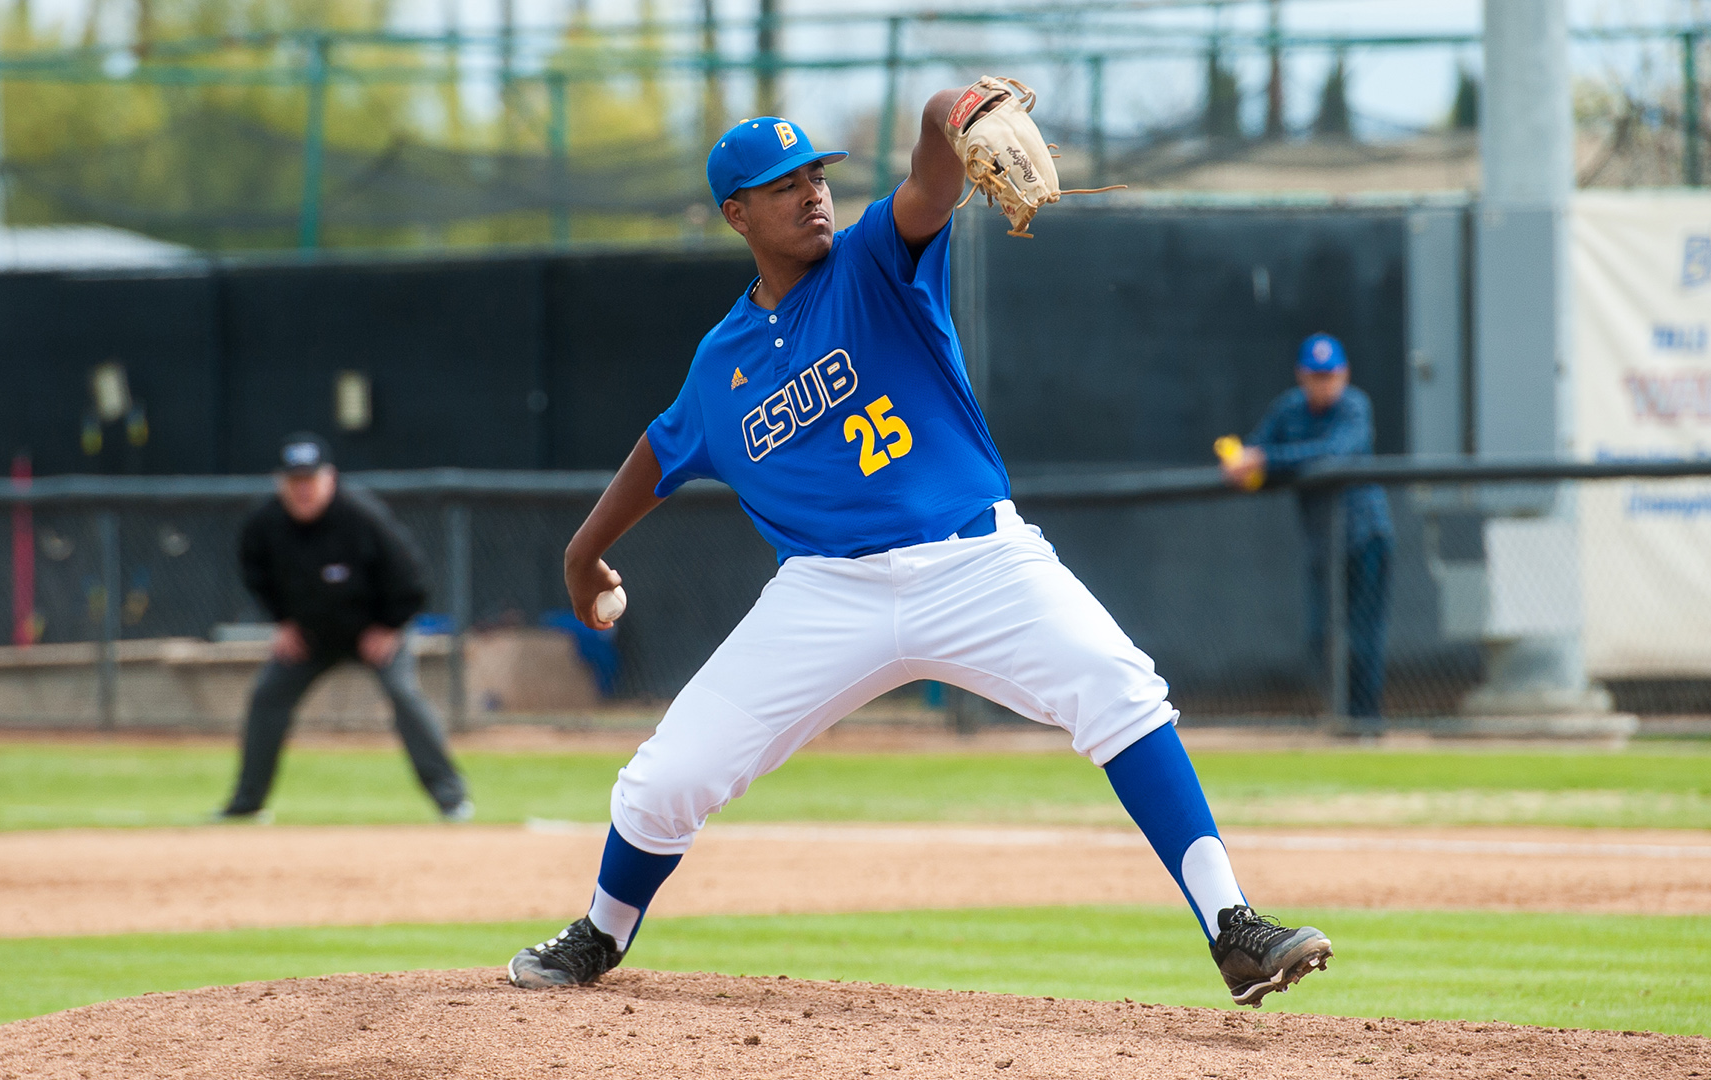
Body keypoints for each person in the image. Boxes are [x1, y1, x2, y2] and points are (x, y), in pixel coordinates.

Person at [502, 88, 1332, 1009]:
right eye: (783, 185)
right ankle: (601, 934)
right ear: (736, 213)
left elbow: (930, 180)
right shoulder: (721, 362)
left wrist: (953, 110)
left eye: (816, 173)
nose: (811, 193)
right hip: (825, 595)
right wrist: (584, 552)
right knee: (668, 776)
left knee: (1118, 685)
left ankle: (1233, 926)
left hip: (978, 563)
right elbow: (662, 451)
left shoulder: (874, 262)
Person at [217, 433, 473, 823]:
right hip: (311, 638)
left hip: (374, 633)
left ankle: (451, 797)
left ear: (330, 478)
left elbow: (413, 581)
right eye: (294, 481)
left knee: (404, 694)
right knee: (268, 696)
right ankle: (247, 804)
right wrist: (282, 622)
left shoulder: (362, 517)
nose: (302, 489)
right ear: (279, 482)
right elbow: (256, 575)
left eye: (310, 479)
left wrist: (388, 627)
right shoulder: (264, 523)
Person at [1221, 333, 1394, 729]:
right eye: (1317, 376)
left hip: (1366, 535)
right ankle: (1339, 713)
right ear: (1302, 376)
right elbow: (1256, 451)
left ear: (1344, 374)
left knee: (1364, 635)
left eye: (1331, 375)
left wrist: (1266, 460)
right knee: (1320, 635)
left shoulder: (1354, 406)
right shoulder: (1289, 409)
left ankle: (1364, 721)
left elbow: (1333, 454)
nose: (1324, 383)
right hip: (1323, 540)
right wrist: (1243, 462)